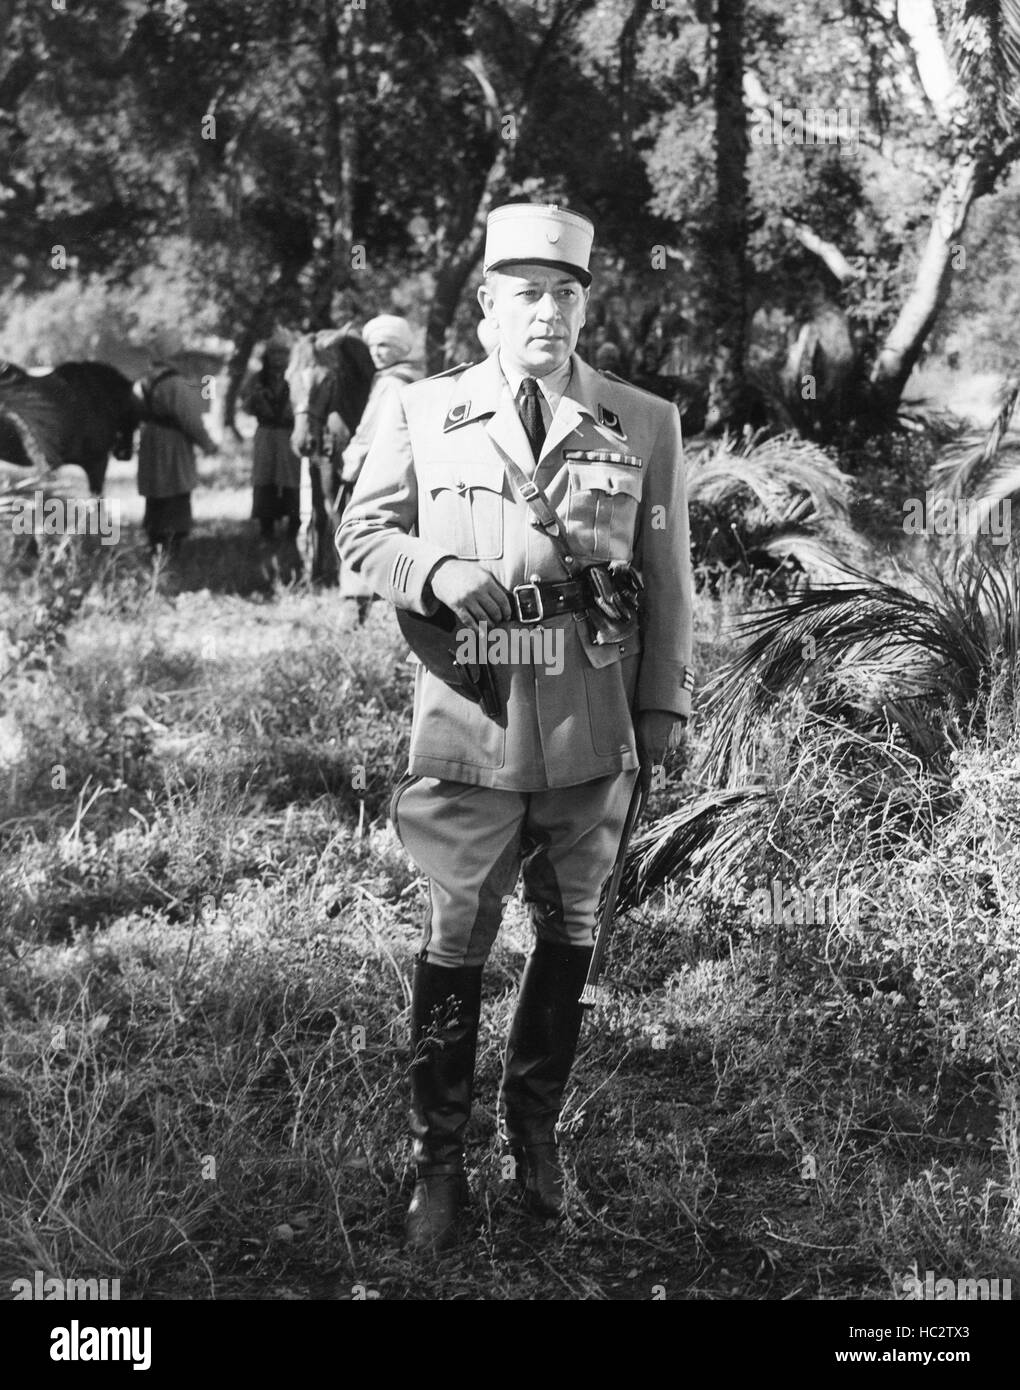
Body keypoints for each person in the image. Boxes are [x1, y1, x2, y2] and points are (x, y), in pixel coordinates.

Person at [337, 203, 695, 1255]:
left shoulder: (643, 419)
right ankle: (436, 1161)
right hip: (473, 708)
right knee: (455, 937)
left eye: (569, 292)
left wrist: (663, 700)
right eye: (528, 293)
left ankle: (533, 1136)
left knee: (573, 930)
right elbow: (365, 532)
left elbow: (668, 571)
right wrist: (435, 569)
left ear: (586, 302)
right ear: (488, 305)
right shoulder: (423, 407)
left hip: (592, 708)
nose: (550, 312)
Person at [336, 316, 421, 624]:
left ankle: (354, 608)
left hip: (375, 468)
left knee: (363, 528)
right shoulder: (411, 377)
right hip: (403, 469)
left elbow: (372, 432)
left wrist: (350, 464)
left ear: (400, 347)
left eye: (385, 345)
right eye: (373, 345)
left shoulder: (390, 383)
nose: (377, 352)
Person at [133, 352, 215, 554]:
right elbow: (190, 420)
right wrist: (207, 444)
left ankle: (155, 540)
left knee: (155, 492)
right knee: (175, 489)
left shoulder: (142, 382)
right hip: (173, 444)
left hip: (150, 441)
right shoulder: (176, 384)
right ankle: (171, 544)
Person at [241, 336, 302, 580]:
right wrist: (254, 399)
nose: (278, 359)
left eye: (283, 354)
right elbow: (244, 405)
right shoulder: (257, 378)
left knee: (292, 479)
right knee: (264, 479)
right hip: (266, 434)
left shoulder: (296, 376)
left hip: (290, 434)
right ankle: (266, 528)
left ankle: (293, 527)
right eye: (274, 354)